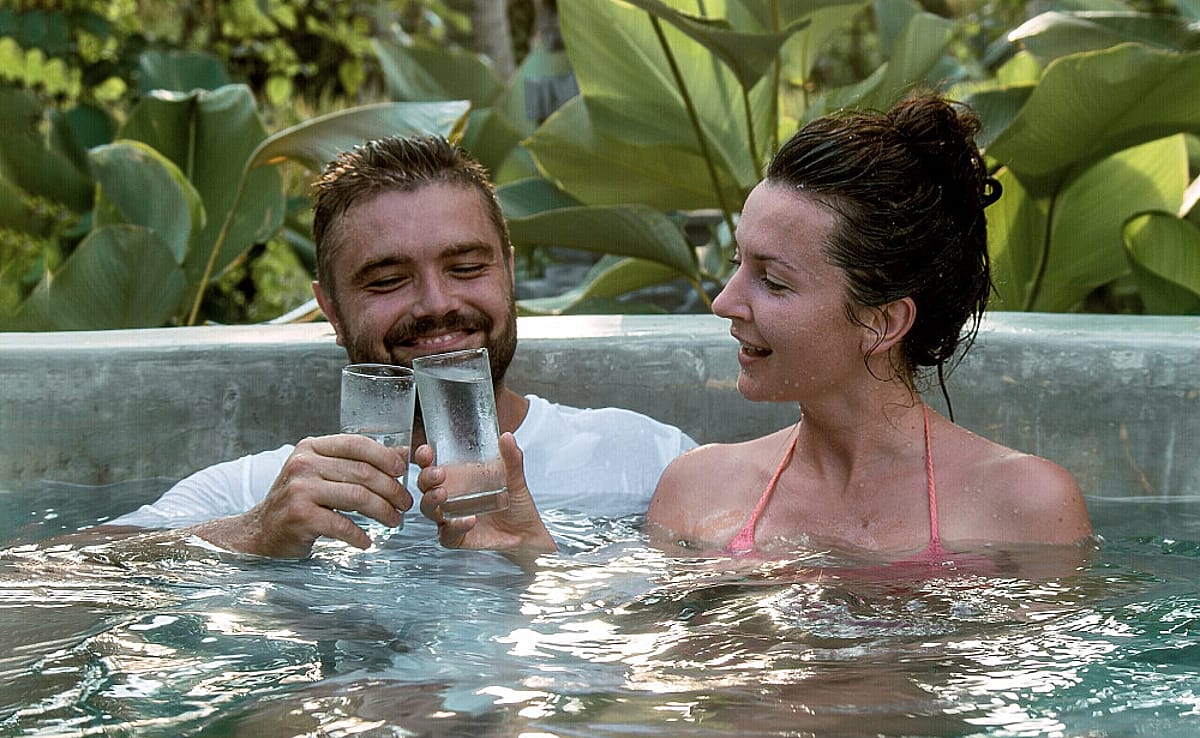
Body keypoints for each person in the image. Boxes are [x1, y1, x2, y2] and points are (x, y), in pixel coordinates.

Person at [108, 135, 695, 558]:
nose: (436, 303)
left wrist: (540, 567)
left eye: (466, 267)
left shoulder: (646, 460)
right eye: (388, 280)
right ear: (332, 310)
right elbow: (60, 575)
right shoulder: (262, 491)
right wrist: (254, 533)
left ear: (509, 274)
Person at [644, 93, 1092, 562]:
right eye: (737, 262)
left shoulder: (1027, 506)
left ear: (882, 323)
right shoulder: (696, 493)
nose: (724, 302)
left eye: (772, 281)